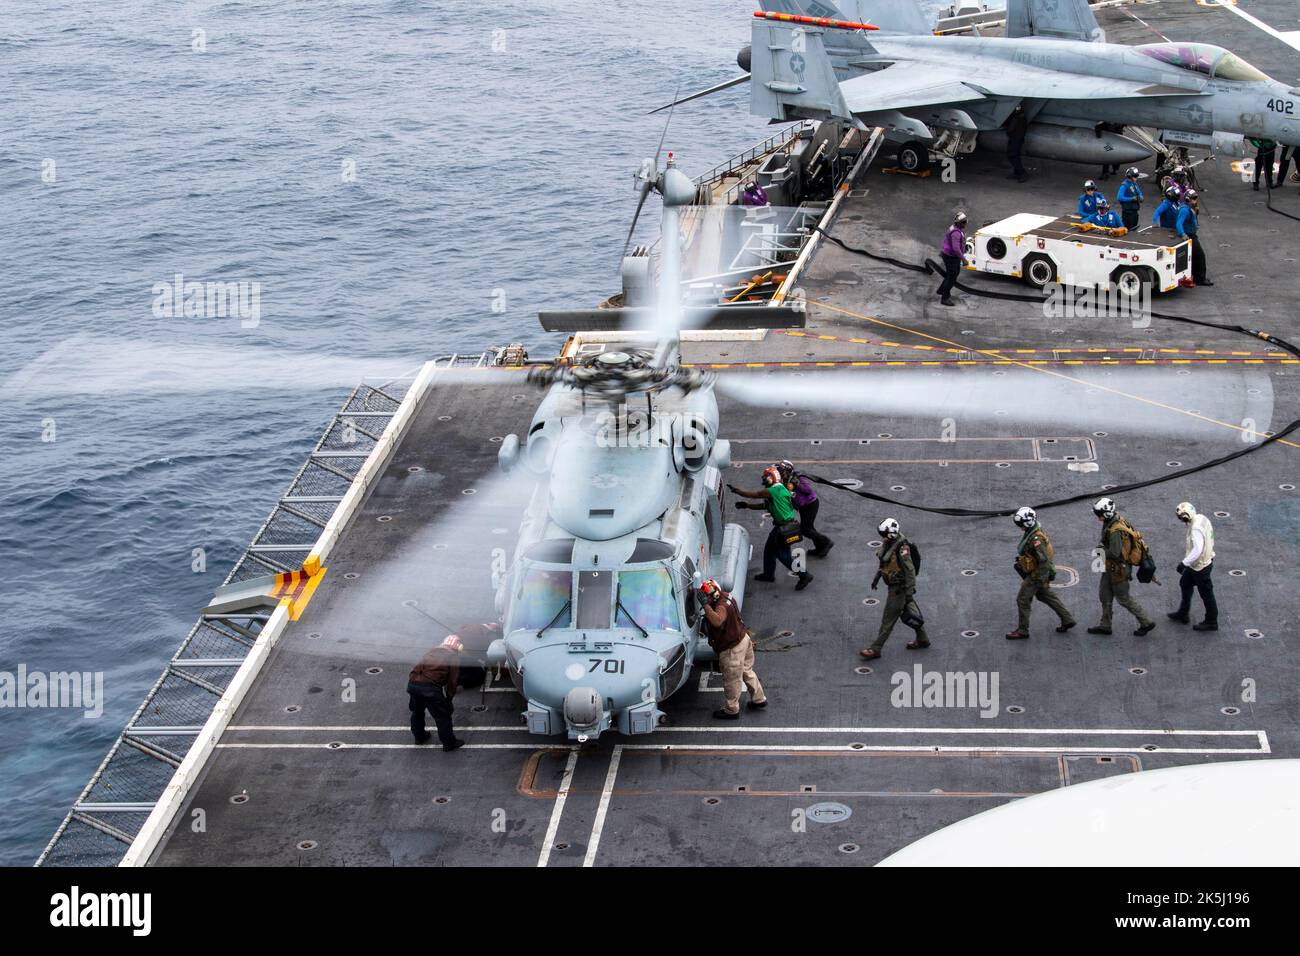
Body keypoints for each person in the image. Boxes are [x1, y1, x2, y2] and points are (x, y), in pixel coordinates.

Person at [729, 466, 814, 590]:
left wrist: (737, 491)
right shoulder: (780, 489)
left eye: (766, 477)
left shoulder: (771, 491)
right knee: (769, 550)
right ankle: (768, 574)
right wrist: (747, 506)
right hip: (784, 526)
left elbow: (754, 494)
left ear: (772, 478)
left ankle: (804, 575)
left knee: (784, 556)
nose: (764, 479)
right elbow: (766, 506)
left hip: (784, 528)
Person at [860, 518, 929, 660]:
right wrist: (876, 579)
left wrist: (909, 592)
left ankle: (876, 648)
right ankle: (922, 639)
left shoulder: (902, 548)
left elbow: (910, 571)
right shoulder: (890, 543)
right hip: (897, 587)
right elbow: (885, 564)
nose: (882, 536)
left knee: (888, 619)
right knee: (912, 613)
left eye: (883, 533)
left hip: (898, 589)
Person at [1087, 497, 1156, 636]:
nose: (1098, 517)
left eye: (1099, 514)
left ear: (1106, 514)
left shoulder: (1115, 531)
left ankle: (1146, 622)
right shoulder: (1114, 521)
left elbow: (1115, 552)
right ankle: (1105, 625)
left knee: (1124, 599)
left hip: (1119, 570)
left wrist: (1099, 551)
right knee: (1104, 595)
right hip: (1110, 567)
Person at [700, 579, 767, 719]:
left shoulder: (720, 607)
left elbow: (717, 621)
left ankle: (732, 710)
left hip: (732, 649)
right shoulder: (727, 596)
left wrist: (705, 606)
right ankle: (759, 698)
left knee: (732, 680)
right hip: (743, 639)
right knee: (747, 671)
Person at [1006, 506, 1076, 640]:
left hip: (1037, 574)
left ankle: (1022, 631)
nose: (1020, 527)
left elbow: (1043, 561)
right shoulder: (1034, 532)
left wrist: (1035, 578)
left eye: (1021, 525)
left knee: (1023, 599)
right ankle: (1067, 619)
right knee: (1046, 596)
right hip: (1039, 573)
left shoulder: (1036, 539)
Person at [407, 634, 466, 751]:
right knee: (443, 717)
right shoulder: (453, 657)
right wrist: (448, 700)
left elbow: (418, 668)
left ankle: (419, 737)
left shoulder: (432, 650)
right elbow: (452, 682)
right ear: (458, 646)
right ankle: (449, 743)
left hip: (413, 684)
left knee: (417, 712)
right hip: (430, 688)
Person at [1169, 501, 1218, 631]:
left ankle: (1211, 621)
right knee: (1185, 583)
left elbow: (1197, 550)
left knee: (1207, 594)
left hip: (1200, 567)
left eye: (1181, 518)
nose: (1182, 521)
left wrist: (1184, 563)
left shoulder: (1195, 529)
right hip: (1200, 563)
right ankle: (1183, 613)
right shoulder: (1202, 518)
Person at [776, 459, 833, 557]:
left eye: (781, 471)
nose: (779, 473)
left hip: (810, 504)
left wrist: (797, 483)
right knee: (809, 528)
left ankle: (826, 542)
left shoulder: (797, 477)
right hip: (802, 507)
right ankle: (820, 547)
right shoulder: (784, 481)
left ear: (787, 470)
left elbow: (808, 490)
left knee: (805, 529)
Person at [1176, 190, 1213, 286]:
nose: (1195, 201)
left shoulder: (1190, 207)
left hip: (1191, 234)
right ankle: (1200, 279)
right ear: (1188, 199)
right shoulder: (1184, 210)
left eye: (1196, 198)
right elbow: (1179, 223)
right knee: (1200, 256)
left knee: (1192, 257)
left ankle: (1195, 277)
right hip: (1189, 236)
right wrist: (1183, 234)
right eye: (1193, 199)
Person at [936, 211, 967, 307]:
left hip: (950, 256)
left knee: (953, 274)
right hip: (951, 257)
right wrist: (963, 259)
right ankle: (945, 298)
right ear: (959, 223)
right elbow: (956, 249)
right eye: (964, 222)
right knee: (951, 277)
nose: (966, 223)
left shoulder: (955, 228)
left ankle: (942, 290)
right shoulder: (956, 233)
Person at [1005, 105, 1028, 182]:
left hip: (1015, 139)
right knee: (1014, 155)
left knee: (1012, 155)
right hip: (1017, 138)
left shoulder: (1016, 118)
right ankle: (1017, 172)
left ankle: (1022, 173)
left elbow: (1010, 129)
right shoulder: (1021, 117)